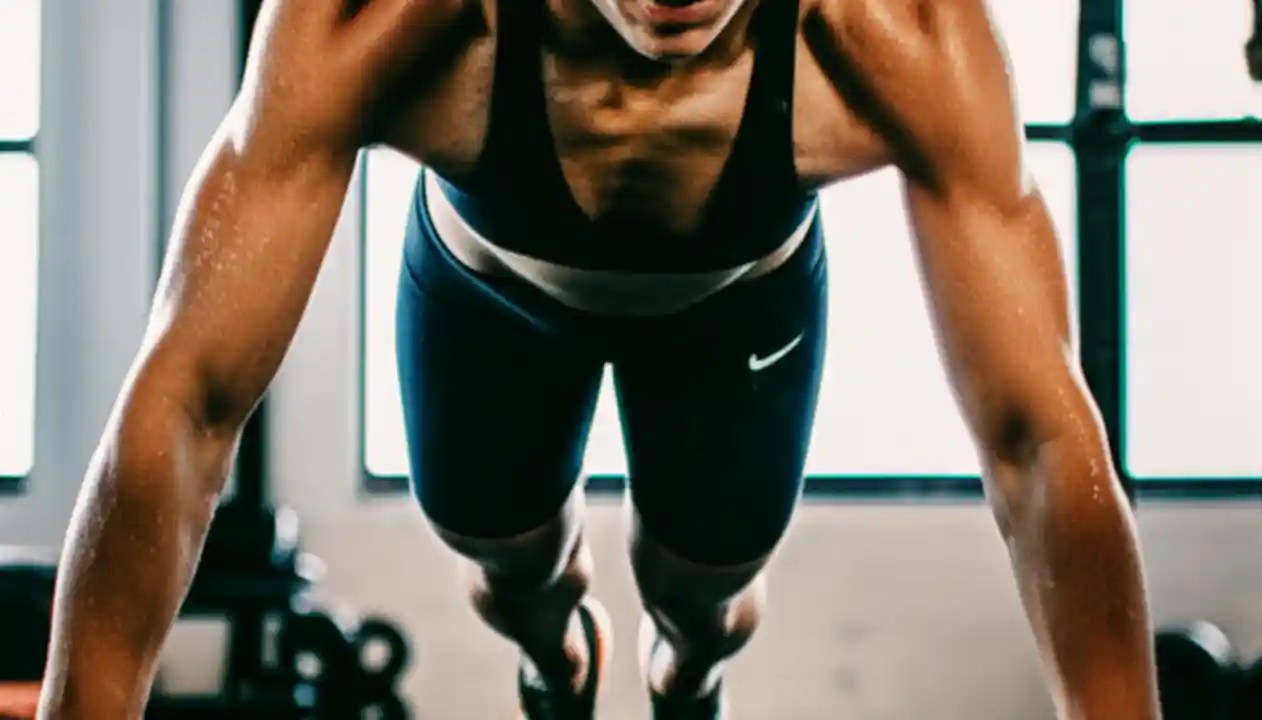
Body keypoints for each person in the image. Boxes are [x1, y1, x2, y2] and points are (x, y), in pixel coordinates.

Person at [37, 0, 1162, 718]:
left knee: (702, 596)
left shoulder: (901, 34)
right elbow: (187, 403)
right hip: (491, 297)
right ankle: (556, 654)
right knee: (510, 568)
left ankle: (691, 672)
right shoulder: (376, 20)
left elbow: (1036, 442)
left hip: (737, 316)